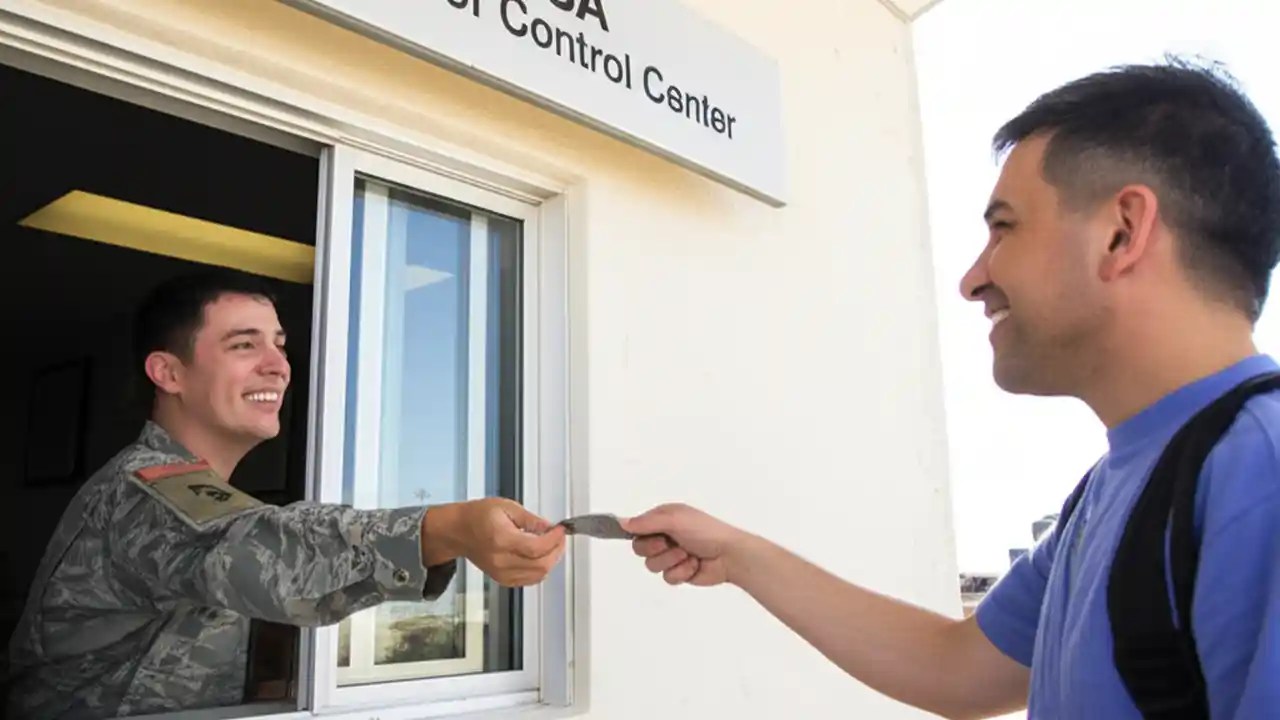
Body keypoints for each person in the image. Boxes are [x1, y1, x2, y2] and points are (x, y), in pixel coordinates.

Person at [624, 57, 1280, 719]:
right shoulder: (1120, 484)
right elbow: (957, 669)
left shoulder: (1261, 468)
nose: (973, 278)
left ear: (1121, 233)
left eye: (1004, 227)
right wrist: (739, 555)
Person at [6, 270, 566, 719]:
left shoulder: (185, 485)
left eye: (278, 344)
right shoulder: (144, 488)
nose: (278, 365)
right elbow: (264, 553)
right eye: (243, 345)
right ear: (168, 372)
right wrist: (448, 528)